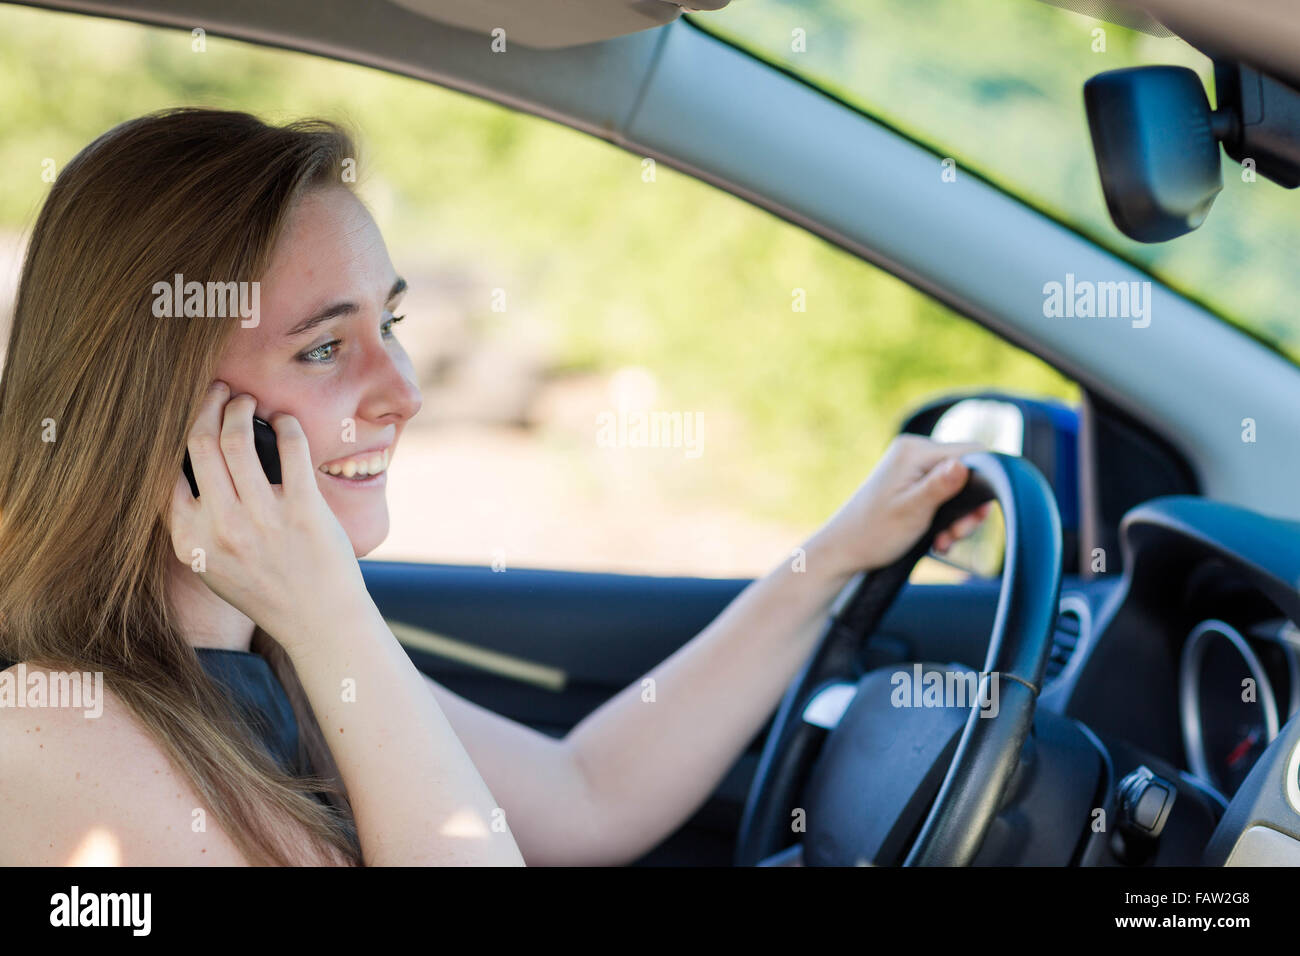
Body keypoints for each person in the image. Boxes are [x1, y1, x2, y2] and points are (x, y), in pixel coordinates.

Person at [0, 108, 987, 866]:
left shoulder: (270, 655)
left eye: (389, 324)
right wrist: (332, 617)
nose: (405, 392)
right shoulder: (56, 733)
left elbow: (587, 792)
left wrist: (836, 553)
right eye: (324, 346)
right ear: (155, 403)